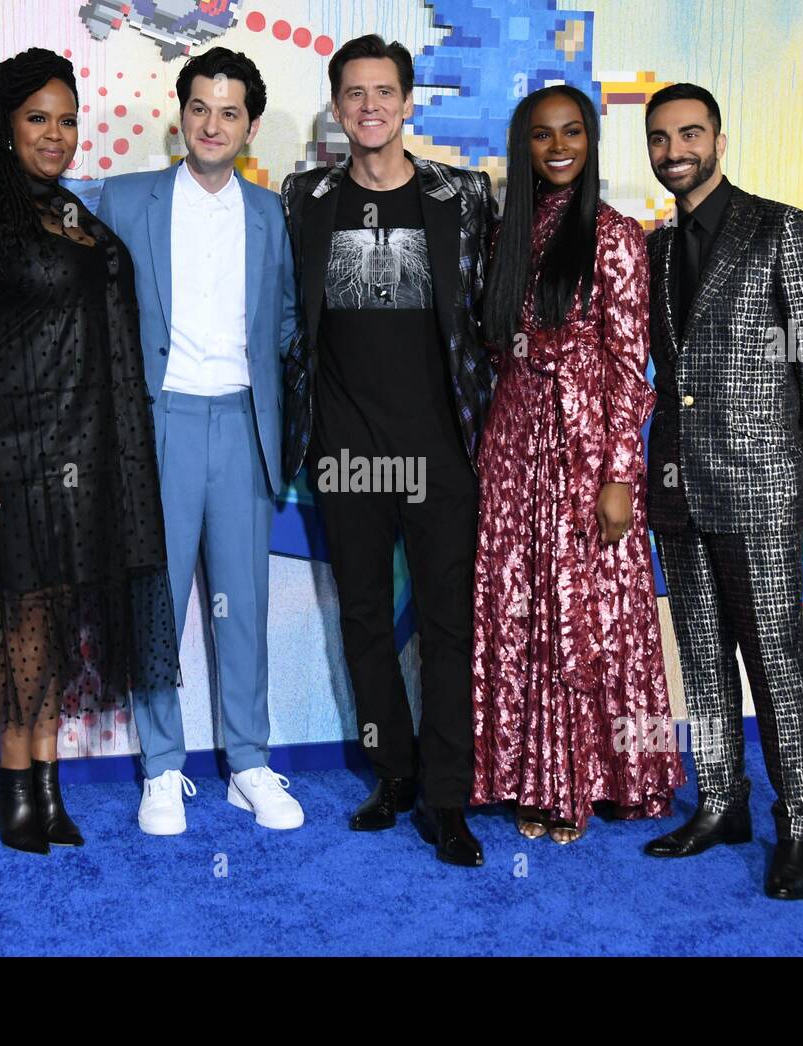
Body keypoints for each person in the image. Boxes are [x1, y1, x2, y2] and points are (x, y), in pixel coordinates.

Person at [0, 48, 180, 854]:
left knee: (57, 617)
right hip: (9, 450)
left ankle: (43, 782)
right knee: (22, 614)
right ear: (6, 127)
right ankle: (17, 784)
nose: (57, 135)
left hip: (84, 448)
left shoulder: (70, 215)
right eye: (39, 119)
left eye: (67, 120)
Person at [279, 34, 498, 866]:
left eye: (385, 92)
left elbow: (489, 316)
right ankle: (394, 774)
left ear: (408, 103)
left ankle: (448, 797)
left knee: (447, 627)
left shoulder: (463, 195)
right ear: (337, 108)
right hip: (344, 451)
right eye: (354, 93)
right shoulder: (306, 199)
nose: (370, 105)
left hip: (442, 450)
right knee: (365, 619)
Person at [640, 83, 803, 899]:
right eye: (660, 139)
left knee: (774, 658)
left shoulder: (783, 229)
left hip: (761, 489)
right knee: (701, 654)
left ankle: (800, 818)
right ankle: (721, 802)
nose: (673, 151)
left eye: (689, 134)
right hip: (679, 487)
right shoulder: (659, 251)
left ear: (720, 140)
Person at [470, 85, 686, 844]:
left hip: (588, 449)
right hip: (511, 445)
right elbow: (498, 350)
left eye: (572, 133)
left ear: (591, 142)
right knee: (523, 608)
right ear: (523, 145)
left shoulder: (618, 235)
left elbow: (633, 368)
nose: (558, 146)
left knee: (589, 615)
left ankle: (607, 781)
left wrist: (620, 473)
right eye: (541, 135)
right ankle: (531, 779)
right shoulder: (505, 237)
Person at [98, 48, 303, 834]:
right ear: (179, 113)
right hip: (160, 425)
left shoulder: (269, 214)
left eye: (229, 113)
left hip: (243, 423)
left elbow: (283, 322)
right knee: (155, 604)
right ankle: (161, 768)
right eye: (199, 108)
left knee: (241, 605)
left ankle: (249, 762)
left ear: (249, 125)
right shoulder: (122, 201)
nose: (211, 125)